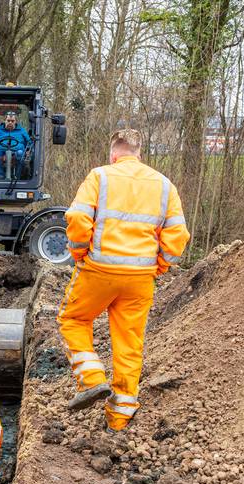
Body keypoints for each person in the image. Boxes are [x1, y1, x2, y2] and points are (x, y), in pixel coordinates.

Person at [58, 129, 190, 431]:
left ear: (113, 154)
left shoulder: (100, 176)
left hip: (98, 270)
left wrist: (79, 253)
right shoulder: (164, 185)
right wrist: (159, 266)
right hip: (140, 278)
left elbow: (77, 218)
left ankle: (92, 379)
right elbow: (177, 236)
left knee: (73, 320)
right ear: (139, 153)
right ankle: (118, 420)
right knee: (129, 343)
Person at [0, 111, 31, 179]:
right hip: (1, 151)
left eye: (12, 121)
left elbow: (29, 142)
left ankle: (17, 177)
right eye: (8, 121)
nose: (10, 123)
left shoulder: (22, 131)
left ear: (15, 122)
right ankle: (0, 177)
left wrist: (28, 150)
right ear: (5, 121)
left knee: (20, 153)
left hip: (16, 151)